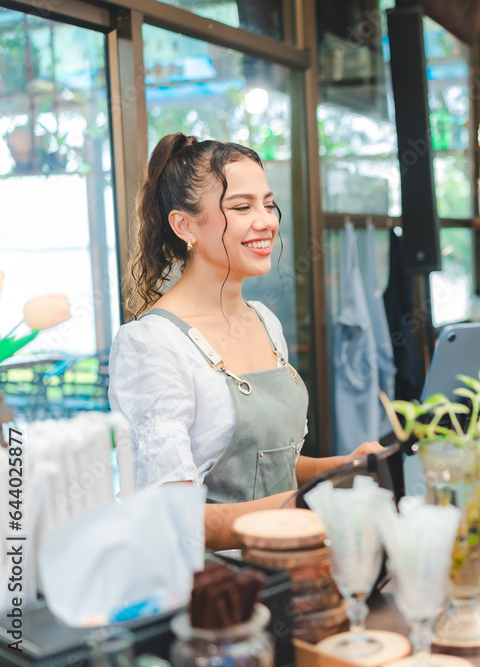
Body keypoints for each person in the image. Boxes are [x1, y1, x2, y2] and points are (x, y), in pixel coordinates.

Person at [109, 134, 380, 550]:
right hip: (221, 591)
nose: (266, 221)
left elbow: (273, 468)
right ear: (184, 225)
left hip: (296, 562)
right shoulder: (151, 344)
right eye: (241, 207)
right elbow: (175, 521)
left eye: (268, 204)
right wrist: (309, 508)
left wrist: (347, 468)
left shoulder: (264, 321)